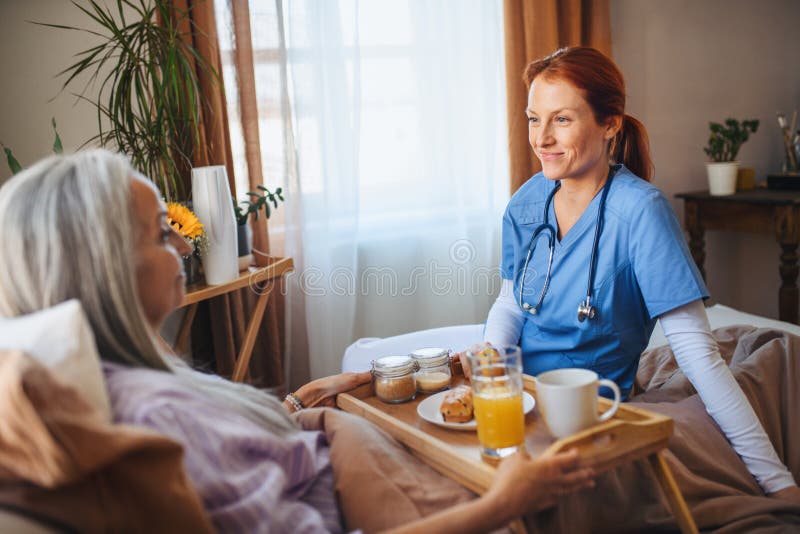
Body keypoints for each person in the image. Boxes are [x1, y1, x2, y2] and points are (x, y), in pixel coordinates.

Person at [0, 149, 595, 533]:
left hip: (339, 450)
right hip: (363, 489)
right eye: (161, 232)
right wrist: (503, 504)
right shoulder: (158, 418)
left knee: (366, 364)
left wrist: (320, 396)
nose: (183, 246)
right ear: (105, 263)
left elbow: (243, 450)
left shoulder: (134, 382)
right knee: (560, 480)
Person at [483, 46, 800, 504]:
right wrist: (491, 361)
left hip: (586, 413)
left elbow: (697, 354)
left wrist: (778, 482)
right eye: (534, 119)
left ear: (610, 123)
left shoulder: (640, 212)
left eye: (562, 119)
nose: (542, 138)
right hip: (516, 403)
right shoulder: (525, 203)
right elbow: (512, 302)